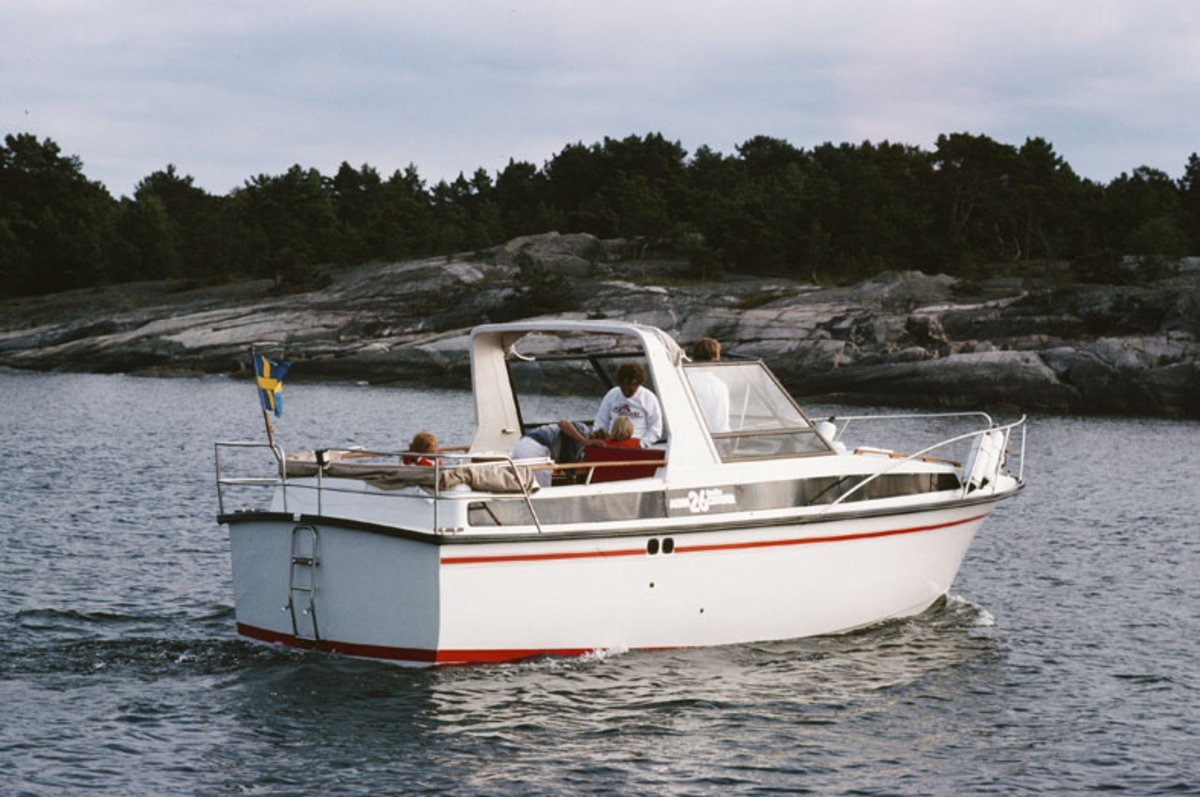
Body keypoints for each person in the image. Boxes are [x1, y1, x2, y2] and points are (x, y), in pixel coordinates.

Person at [510, 420, 601, 487]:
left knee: (522, 485)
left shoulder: (579, 451)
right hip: (536, 447)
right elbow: (563, 423)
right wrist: (584, 441)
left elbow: (570, 466)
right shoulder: (584, 431)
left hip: (522, 444)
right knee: (543, 490)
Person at [593, 362, 662, 446]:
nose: (626, 392)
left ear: (638, 384)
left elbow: (655, 429)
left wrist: (641, 444)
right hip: (611, 444)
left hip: (637, 446)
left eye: (630, 389)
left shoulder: (649, 398)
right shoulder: (612, 394)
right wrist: (599, 440)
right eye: (623, 388)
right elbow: (601, 421)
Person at [687, 337, 730, 433]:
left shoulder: (684, 380)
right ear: (714, 358)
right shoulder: (718, 385)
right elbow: (721, 421)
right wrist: (725, 442)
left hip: (686, 434)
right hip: (708, 439)